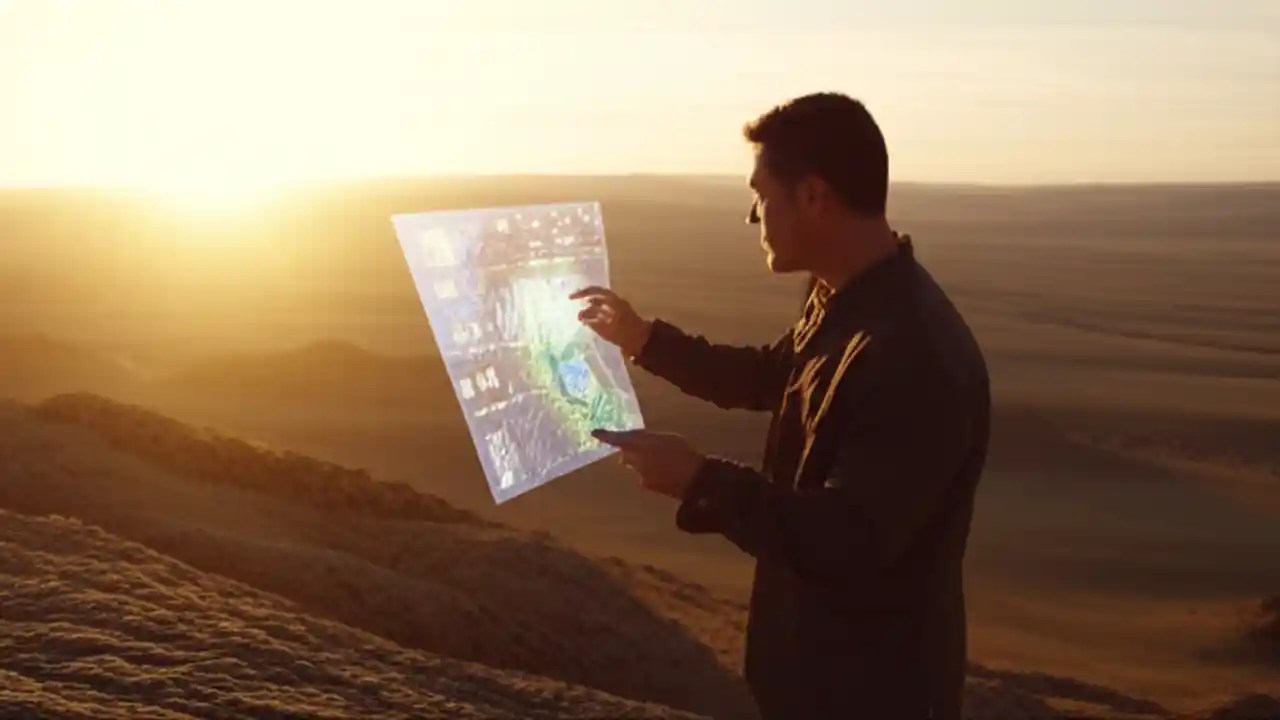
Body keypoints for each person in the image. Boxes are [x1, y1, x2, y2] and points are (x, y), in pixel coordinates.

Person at [571, 92, 989, 719]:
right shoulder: (844, 302)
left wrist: (698, 480)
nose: (753, 217)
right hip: (818, 681)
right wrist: (643, 339)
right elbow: (772, 375)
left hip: (874, 695)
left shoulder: (913, 353)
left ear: (814, 196)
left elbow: (848, 541)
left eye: (761, 196)